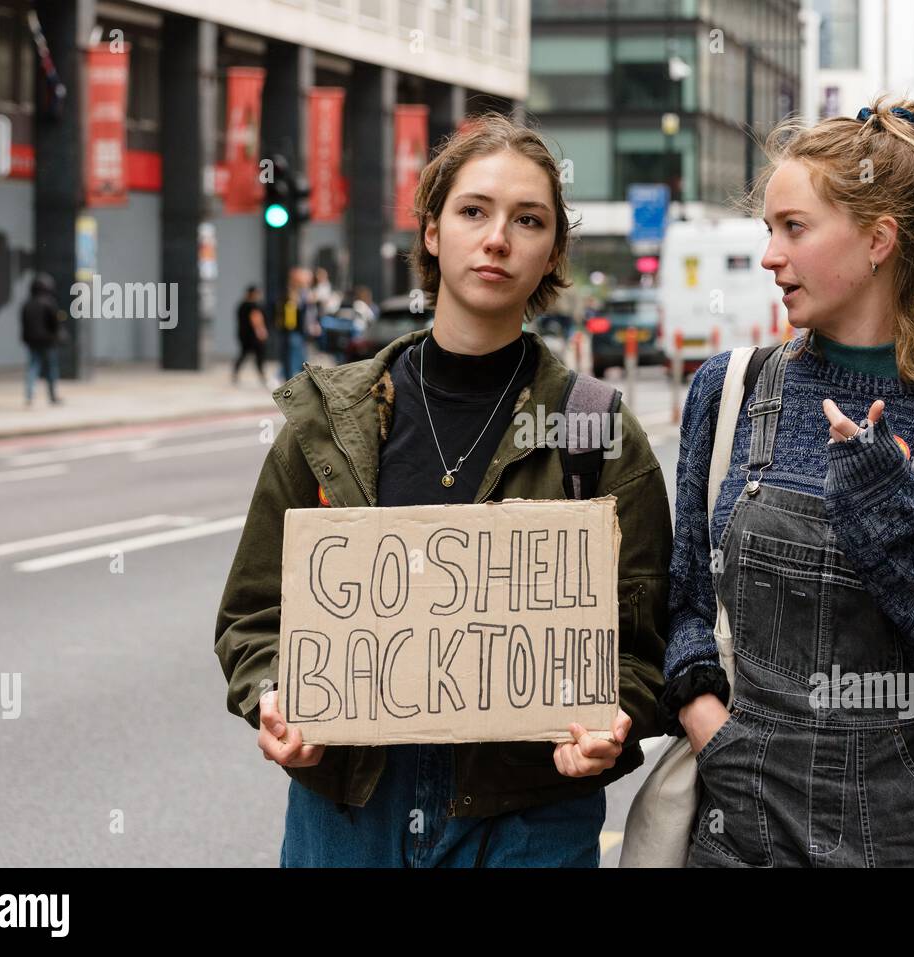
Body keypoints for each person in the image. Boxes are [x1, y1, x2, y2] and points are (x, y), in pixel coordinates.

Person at [214, 113, 671, 867]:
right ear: (431, 232)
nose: (497, 238)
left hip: (526, 816)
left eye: (528, 220)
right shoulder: (332, 418)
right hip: (349, 812)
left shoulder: (596, 430)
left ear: (552, 250)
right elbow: (255, 610)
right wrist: (274, 693)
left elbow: (644, 641)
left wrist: (611, 722)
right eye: (473, 211)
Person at [662, 97, 914, 868]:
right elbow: (686, 600)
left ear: (877, 240)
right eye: (769, 229)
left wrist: (880, 498)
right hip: (745, 820)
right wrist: (712, 729)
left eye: (792, 228)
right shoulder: (729, 389)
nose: (770, 255)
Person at [20, 274, 63, 407]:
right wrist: (56, 335)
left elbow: (24, 324)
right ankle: (52, 396)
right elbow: (55, 323)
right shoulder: (49, 303)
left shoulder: (27, 304)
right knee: (51, 369)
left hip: (32, 341)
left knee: (33, 367)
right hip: (48, 341)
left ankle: (29, 395)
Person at [276, 267, 317, 381]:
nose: (307, 280)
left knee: (299, 358)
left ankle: (289, 379)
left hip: (299, 331)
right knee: (295, 358)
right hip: (292, 330)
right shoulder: (291, 293)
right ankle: (286, 379)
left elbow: (309, 313)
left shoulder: (304, 292)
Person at [232, 284, 269, 386]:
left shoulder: (241, 305)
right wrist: (261, 331)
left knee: (244, 354)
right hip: (253, 336)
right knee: (258, 355)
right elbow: (256, 319)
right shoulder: (253, 306)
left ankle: (235, 373)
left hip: (244, 335)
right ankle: (262, 375)